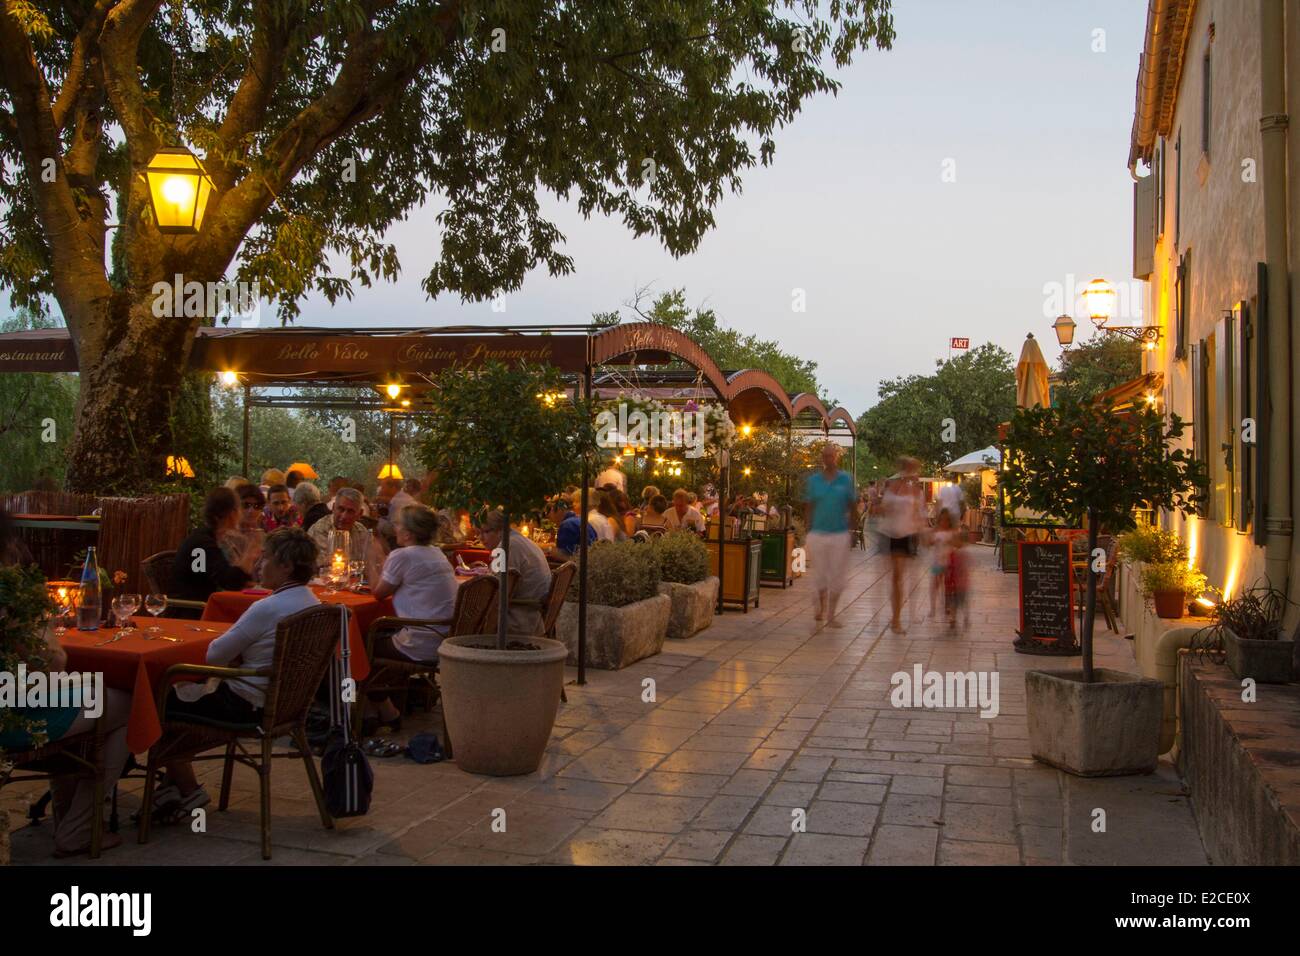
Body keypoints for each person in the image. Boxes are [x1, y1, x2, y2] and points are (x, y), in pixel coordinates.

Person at [152, 528, 322, 818]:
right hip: (283, 705)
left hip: (244, 704)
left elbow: (215, 654)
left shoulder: (267, 607)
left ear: (286, 566)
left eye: (266, 558)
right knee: (177, 694)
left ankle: (189, 789)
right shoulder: (313, 604)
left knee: (155, 699)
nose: (258, 564)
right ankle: (172, 785)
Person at [364, 505, 460, 730]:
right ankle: (382, 708)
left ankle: (375, 709)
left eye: (398, 524)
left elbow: (378, 592)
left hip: (421, 642)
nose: (395, 528)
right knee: (375, 635)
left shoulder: (403, 555)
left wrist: (370, 558)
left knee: (359, 643)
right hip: (444, 636)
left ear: (408, 533)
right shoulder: (436, 552)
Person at [803, 443, 858, 628]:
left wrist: (853, 530)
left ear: (836, 457)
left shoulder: (845, 480)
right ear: (822, 459)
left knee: (837, 576)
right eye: (825, 456)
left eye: (831, 456)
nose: (829, 459)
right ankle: (820, 608)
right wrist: (808, 528)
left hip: (839, 533)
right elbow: (809, 506)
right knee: (820, 574)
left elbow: (852, 505)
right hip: (818, 533)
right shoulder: (814, 481)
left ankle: (832, 614)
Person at [171, 487, 258, 602]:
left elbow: (237, 579)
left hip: (206, 603)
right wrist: (251, 552)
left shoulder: (212, 539)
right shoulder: (201, 544)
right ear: (232, 513)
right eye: (239, 509)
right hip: (192, 609)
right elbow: (230, 582)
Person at [479, 510, 550, 637]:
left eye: (485, 532)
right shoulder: (521, 540)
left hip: (518, 619)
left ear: (500, 530)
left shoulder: (505, 547)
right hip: (535, 615)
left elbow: (496, 592)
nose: (480, 538)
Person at [880, 456, 925, 633]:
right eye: (908, 468)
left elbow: (919, 514)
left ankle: (897, 618)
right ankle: (896, 618)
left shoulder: (916, 491)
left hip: (907, 534)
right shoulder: (893, 486)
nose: (911, 471)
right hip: (891, 533)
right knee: (896, 577)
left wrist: (921, 533)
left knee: (899, 578)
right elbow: (884, 508)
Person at [307, 486, 371, 564]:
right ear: (333, 508)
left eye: (350, 511)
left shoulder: (361, 531)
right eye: (341, 509)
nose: (344, 516)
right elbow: (325, 564)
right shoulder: (320, 529)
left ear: (360, 514)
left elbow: (369, 562)